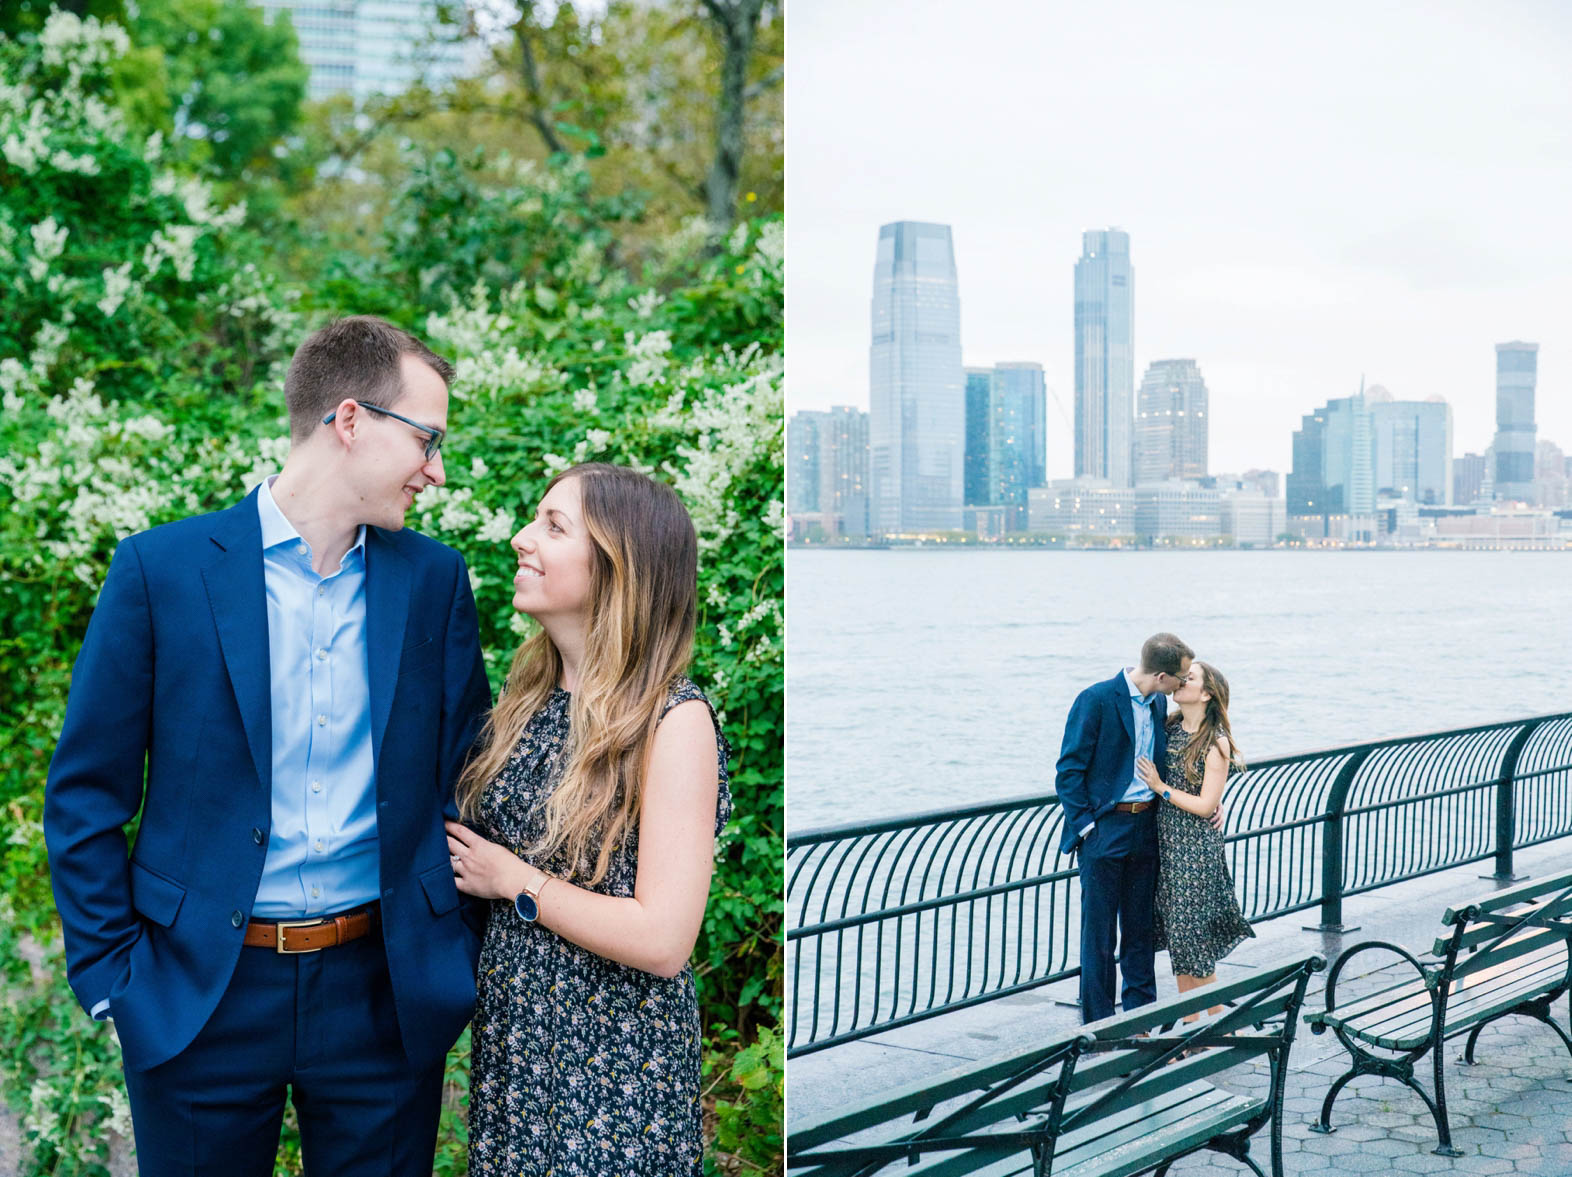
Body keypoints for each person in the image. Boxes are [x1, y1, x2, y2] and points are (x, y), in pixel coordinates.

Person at [43, 316, 492, 1176]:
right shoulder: (160, 571)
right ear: (350, 420)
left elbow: (463, 779)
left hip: (384, 995)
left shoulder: (434, 580)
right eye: (427, 439)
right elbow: (85, 793)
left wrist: (451, 953)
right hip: (197, 994)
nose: (436, 469)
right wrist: (111, 980)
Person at [442, 462, 731, 1177]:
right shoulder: (527, 700)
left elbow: (664, 939)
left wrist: (513, 879)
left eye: (554, 526)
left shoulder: (672, 720)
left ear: (616, 566)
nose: (521, 538)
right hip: (518, 1060)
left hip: (613, 1073)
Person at [1054, 633, 1194, 1024]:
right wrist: (1087, 828)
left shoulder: (1158, 702)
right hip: (1105, 831)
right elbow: (1068, 772)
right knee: (1099, 935)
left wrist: (1211, 802)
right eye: (1181, 677)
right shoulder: (1096, 699)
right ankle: (1100, 1027)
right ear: (1162, 676)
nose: (1183, 684)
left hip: (1146, 826)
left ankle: (1141, 1020)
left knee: (1140, 931)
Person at [1137, 660, 1255, 1014]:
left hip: (1195, 852)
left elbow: (1205, 806)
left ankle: (1219, 1026)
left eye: (1189, 679)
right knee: (1180, 941)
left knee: (1192, 941)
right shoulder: (1170, 727)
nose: (1180, 682)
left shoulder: (1215, 742)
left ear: (1206, 694)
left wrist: (1160, 787)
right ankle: (1194, 1024)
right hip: (1168, 849)